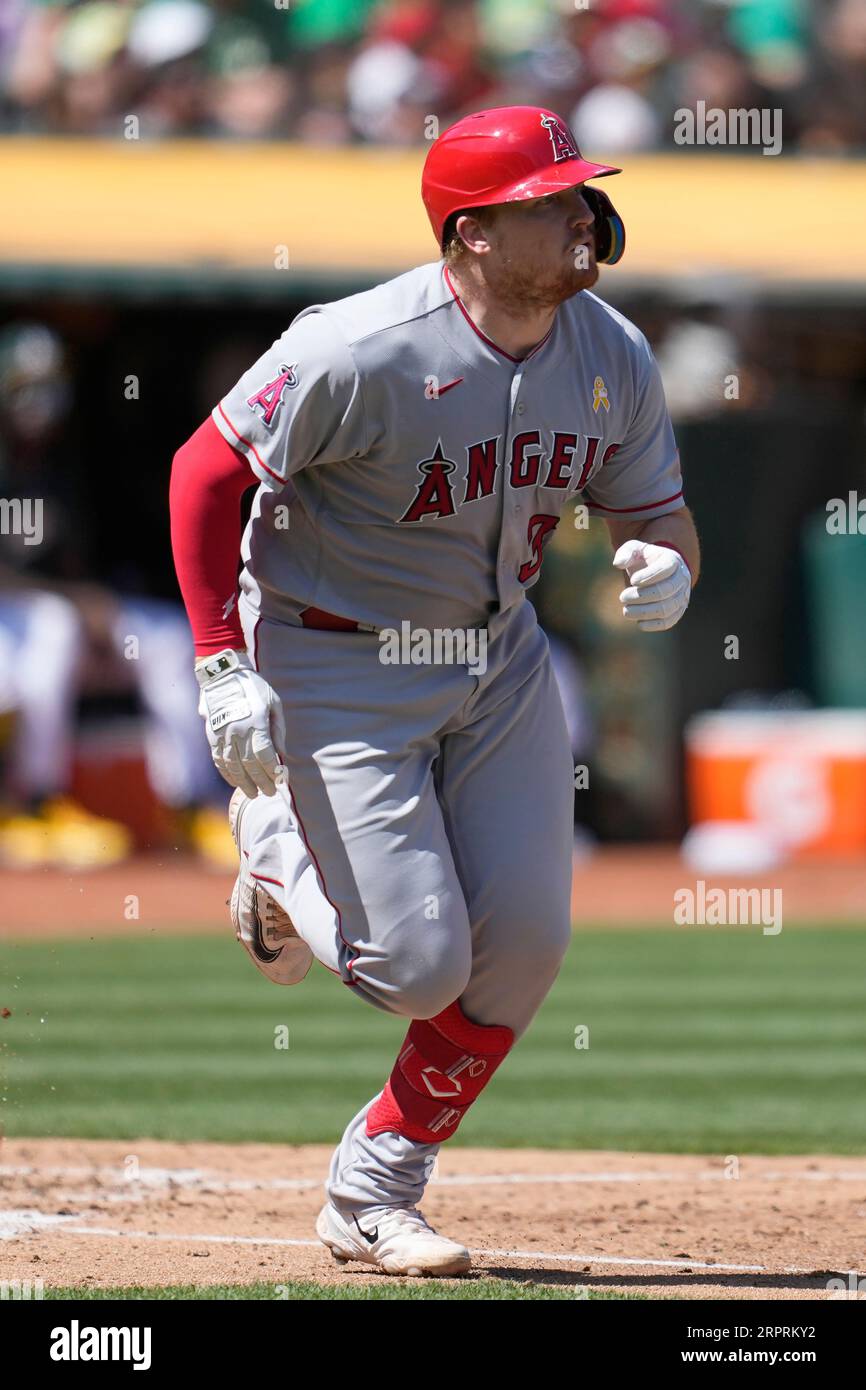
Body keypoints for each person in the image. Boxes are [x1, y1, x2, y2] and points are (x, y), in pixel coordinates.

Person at [170, 106, 699, 1277]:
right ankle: (269, 842)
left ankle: (373, 1186)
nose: (578, 215)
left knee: (522, 951)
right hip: (334, 651)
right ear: (468, 235)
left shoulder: (607, 347)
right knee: (416, 968)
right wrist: (221, 660)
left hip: (496, 654)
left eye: (577, 192)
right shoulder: (358, 345)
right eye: (549, 200)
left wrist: (668, 561)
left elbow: (652, 507)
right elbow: (204, 471)